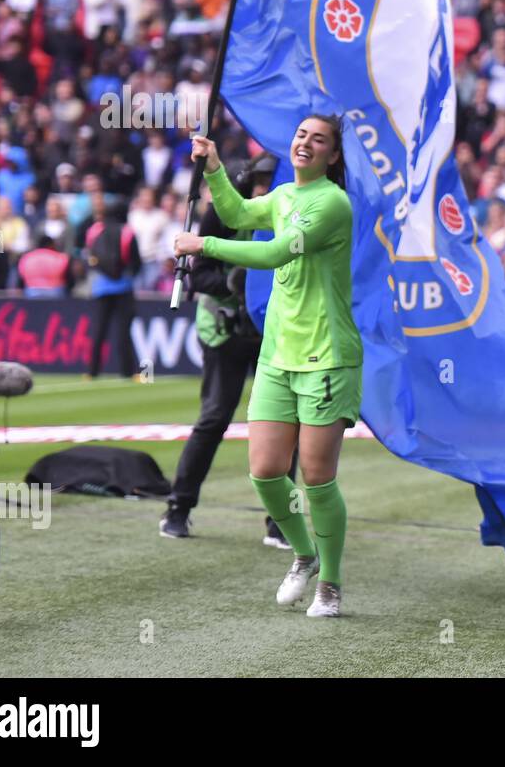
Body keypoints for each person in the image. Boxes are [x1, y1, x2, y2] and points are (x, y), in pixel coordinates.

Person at [173, 115, 362, 619]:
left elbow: (279, 250)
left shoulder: (332, 204)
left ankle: (331, 583)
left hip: (326, 356)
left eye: (318, 139)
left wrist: (203, 245)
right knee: (265, 473)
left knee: (318, 479)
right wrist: (214, 167)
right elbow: (234, 211)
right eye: (301, 134)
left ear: (333, 156)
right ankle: (304, 552)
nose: (305, 142)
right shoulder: (282, 196)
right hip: (277, 354)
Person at [160, 152, 301, 549]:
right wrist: (233, 284)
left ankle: (280, 522)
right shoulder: (223, 212)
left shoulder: (293, 214)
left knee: (283, 425)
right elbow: (196, 274)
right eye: (258, 184)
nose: (263, 192)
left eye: (270, 186)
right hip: (223, 329)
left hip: (274, 332)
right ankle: (178, 507)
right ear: (246, 183)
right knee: (215, 417)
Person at [83, 196, 145, 381]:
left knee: (99, 331)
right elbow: (137, 262)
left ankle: (92, 372)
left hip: (100, 286)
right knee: (124, 332)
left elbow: (90, 257)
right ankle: (128, 372)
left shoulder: (94, 230)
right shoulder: (127, 231)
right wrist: (125, 275)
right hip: (123, 287)